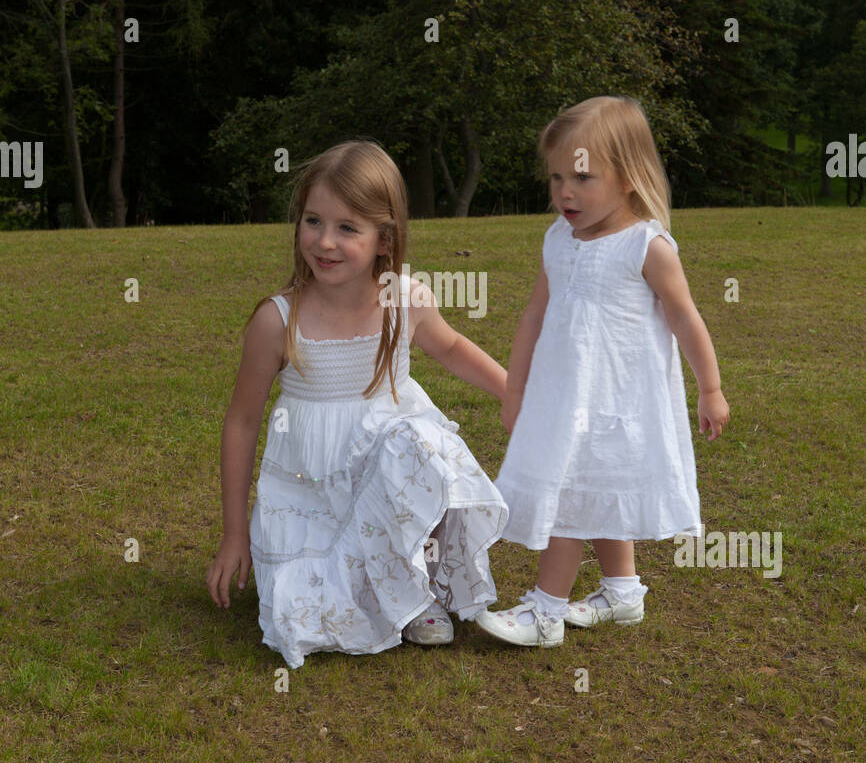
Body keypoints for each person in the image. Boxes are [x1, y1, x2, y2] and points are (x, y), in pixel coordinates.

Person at [206, 140, 509, 669]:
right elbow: (242, 422)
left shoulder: (405, 299)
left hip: (385, 468)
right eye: (313, 221)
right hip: (313, 487)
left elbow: (453, 347)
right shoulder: (277, 320)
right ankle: (355, 581)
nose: (324, 242)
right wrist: (235, 534)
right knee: (310, 618)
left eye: (348, 228)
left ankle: (417, 590)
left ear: (384, 240)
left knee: (415, 438)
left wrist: (516, 392)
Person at [474, 96, 730, 648]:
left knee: (574, 494)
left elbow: (685, 318)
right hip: (563, 397)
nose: (565, 191)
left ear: (630, 177)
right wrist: (515, 389)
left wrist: (709, 388)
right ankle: (622, 592)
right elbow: (535, 315)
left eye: (583, 177)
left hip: (621, 402)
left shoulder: (647, 246)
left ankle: (545, 612)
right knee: (593, 491)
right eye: (557, 176)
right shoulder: (557, 242)